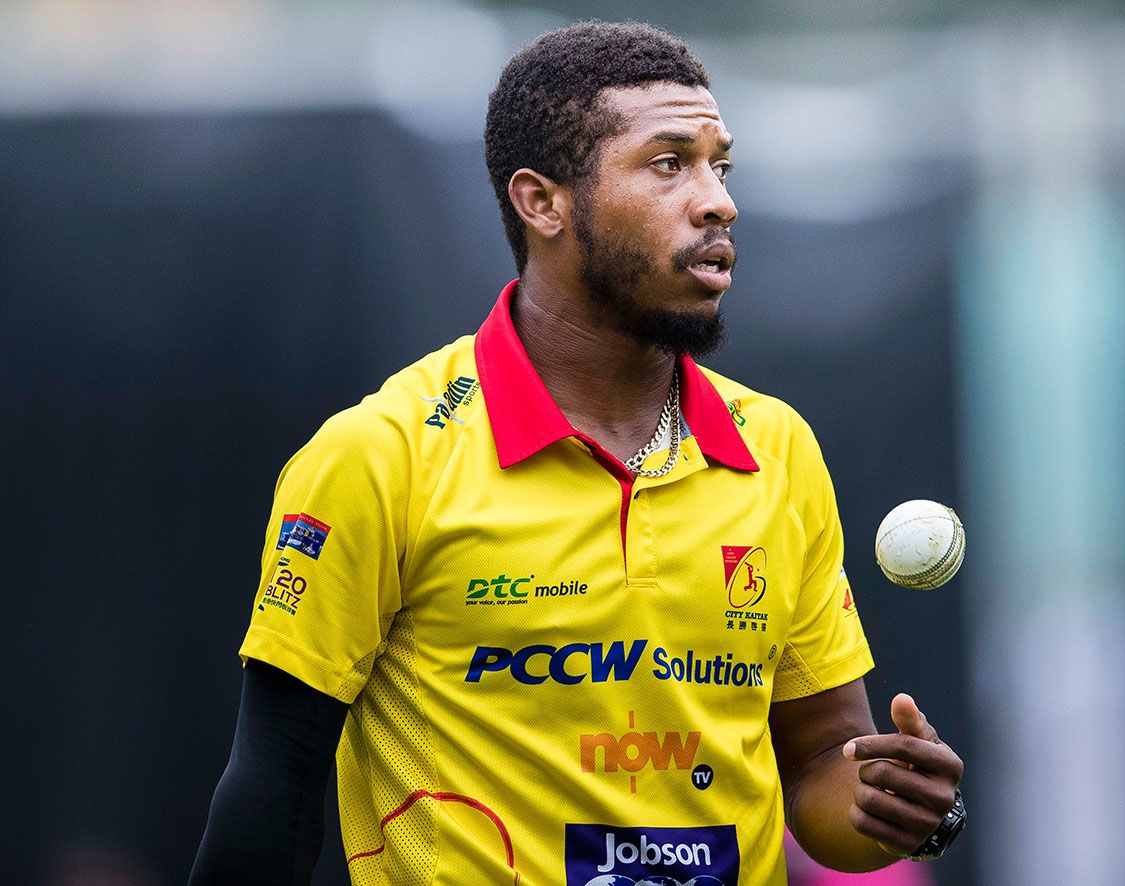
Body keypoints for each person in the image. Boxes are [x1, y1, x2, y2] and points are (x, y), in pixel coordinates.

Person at [190, 21, 963, 885]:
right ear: (543, 203)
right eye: (669, 164)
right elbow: (274, 785)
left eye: (720, 164)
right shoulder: (381, 454)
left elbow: (820, 766)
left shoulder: (777, 449)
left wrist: (896, 808)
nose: (718, 201)